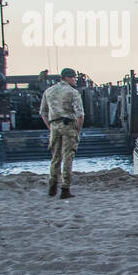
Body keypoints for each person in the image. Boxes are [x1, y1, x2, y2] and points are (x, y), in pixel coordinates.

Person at [39, 67, 84, 198]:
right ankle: (65, 189)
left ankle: (52, 187)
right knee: (68, 157)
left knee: (55, 158)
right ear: (67, 78)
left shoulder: (48, 91)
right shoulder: (73, 92)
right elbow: (80, 114)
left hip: (54, 126)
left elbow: (42, 112)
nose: (75, 80)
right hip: (68, 125)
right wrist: (77, 129)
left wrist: (50, 126)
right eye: (74, 77)